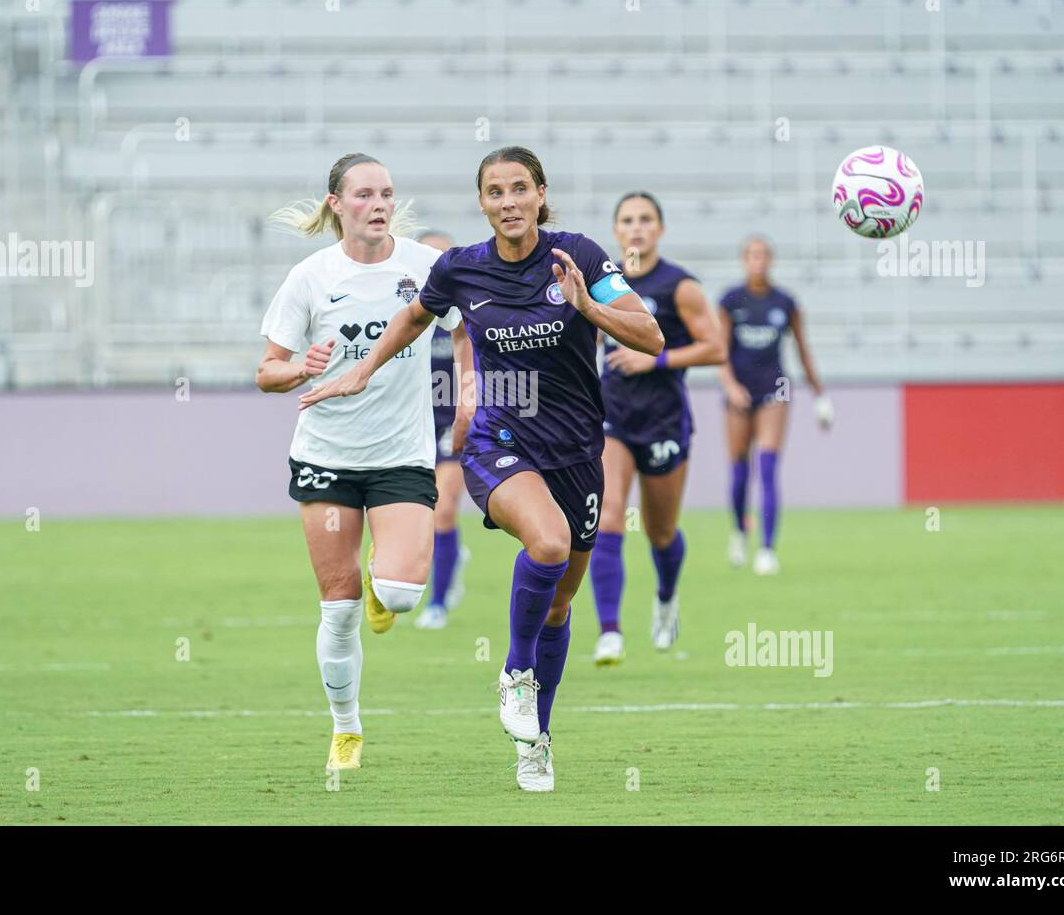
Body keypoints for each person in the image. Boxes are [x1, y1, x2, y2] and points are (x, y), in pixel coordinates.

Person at [301, 146, 663, 791]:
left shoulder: (577, 257)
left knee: (559, 606)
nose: (508, 202)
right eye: (494, 192)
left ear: (540, 194)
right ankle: (514, 675)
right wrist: (361, 369)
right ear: (482, 203)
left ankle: (536, 743)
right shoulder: (461, 269)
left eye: (519, 189)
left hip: (578, 451)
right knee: (547, 544)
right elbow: (413, 317)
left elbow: (649, 335)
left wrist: (589, 309)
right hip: (501, 442)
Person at [256, 153, 467, 773]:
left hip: (401, 453)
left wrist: (471, 387)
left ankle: (386, 584)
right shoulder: (309, 278)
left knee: (399, 595)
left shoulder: (424, 266)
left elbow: (464, 328)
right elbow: (267, 370)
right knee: (339, 604)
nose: (379, 205)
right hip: (326, 457)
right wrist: (302, 367)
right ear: (336, 205)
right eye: (365, 195)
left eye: (387, 194)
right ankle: (345, 729)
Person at [589, 192, 726, 664]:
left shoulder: (679, 286)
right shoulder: (602, 280)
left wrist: (657, 359)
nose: (637, 227)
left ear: (660, 229)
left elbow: (716, 348)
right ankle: (610, 631)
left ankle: (666, 596)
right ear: (616, 230)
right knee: (607, 514)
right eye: (627, 219)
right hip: (612, 417)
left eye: (646, 219)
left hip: (665, 418)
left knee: (660, 531)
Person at [717, 236, 831, 576]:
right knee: (739, 471)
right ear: (744, 260)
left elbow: (802, 350)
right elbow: (719, 350)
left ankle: (767, 549)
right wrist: (730, 386)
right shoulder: (730, 301)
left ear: (772, 261)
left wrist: (820, 395)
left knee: (767, 467)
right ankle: (740, 530)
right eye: (753, 255)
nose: (759, 261)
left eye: (764, 255)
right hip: (740, 391)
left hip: (776, 388)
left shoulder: (785, 302)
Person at [413, 230, 470, 631]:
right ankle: (450, 556)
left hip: (453, 423)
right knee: (418, 517)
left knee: (443, 508)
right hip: (412, 425)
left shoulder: (468, 311)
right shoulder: (407, 314)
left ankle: (437, 605)